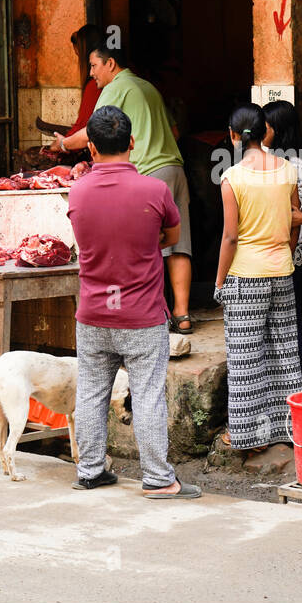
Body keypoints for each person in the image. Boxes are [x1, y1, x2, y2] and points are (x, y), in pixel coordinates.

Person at [66, 105, 201, 499]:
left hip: (93, 313)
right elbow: (171, 235)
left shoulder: (78, 191)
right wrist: (143, 245)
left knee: (91, 393)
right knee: (147, 396)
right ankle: (159, 479)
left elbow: (84, 238)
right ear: (132, 143)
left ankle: (89, 471)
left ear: (90, 148)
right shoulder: (155, 190)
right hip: (141, 315)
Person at [56, 46, 194, 336]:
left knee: (144, 247)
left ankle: (151, 312)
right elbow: (175, 131)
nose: (91, 73)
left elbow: (94, 130)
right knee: (179, 246)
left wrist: (64, 144)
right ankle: (182, 315)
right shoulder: (148, 87)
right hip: (174, 168)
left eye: (94, 66)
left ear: (111, 64)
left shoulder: (117, 87)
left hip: (148, 173)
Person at [215, 104, 302, 459]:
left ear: (234, 135)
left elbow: (230, 238)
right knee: (284, 352)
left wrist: (220, 282)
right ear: (265, 132)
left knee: (245, 358)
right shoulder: (286, 170)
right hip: (281, 271)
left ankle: (249, 436)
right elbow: (295, 218)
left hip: (245, 275)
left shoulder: (232, 178)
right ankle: (287, 429)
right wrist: (286, 253)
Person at [262, 100, 302, 365]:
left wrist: (297, 216)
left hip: (291, 244)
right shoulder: (269, 157)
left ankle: (298, 361)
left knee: (293, 304)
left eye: (266, 125)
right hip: (276, 242)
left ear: (278, 129)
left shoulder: (293, 161)